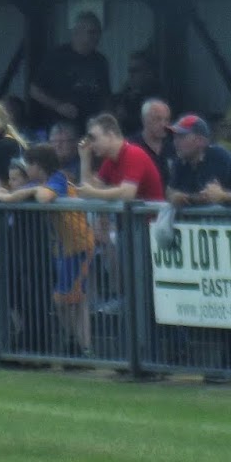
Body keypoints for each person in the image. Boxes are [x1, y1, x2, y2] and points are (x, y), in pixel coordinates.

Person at [0, 143, 97, 359]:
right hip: (64, 247)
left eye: (29, 164)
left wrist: (26, 191)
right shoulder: (44, 182)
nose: (27, 169)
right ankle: (75, 346)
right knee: (64, 300)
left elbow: (43, 197)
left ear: (38, 166)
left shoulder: (57, 179)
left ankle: (83, 349)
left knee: (71, 300)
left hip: (79, 245)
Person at [77, 112, 166, 317]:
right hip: (132, 230)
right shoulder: (110, 161)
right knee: (134, 288)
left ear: (110, 134)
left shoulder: (133, 153)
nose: (91, 143)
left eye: (94, 137)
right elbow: (87, 190)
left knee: (146, 290)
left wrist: (93, 193)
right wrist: (84, 159)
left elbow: (127, 193)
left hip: (150, 231)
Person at [29, 11, 110, 131]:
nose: (96, 37)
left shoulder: (100, 61)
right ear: (77, 32)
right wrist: (58, 106)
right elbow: (34, 91)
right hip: (61, 129)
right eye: (91, 32)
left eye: (98, 32)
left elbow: (105, 96)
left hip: (91, 128)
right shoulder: (57, 57)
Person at [165, 114, 231, 209]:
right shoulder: (179, 161)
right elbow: (170, 191)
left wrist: (186, 198)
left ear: (201, 141)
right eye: (175, 137)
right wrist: (174, 196)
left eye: (181, 136)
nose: (175, 142)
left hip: (221, 220)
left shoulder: (218, 157)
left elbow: (209, 197)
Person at [111, 50, 166, 136]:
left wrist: (126, 118)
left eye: (135, 70)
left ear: (149, 72)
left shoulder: (158, 98)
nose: (131, 74)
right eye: (129, 70)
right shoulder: (125, 94)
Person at [130, 98, 174, 188]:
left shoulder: (174, 148)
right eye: (157, 119)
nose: (163, 124)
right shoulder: (131, 147)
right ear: (144, 120)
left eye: (166, 120)